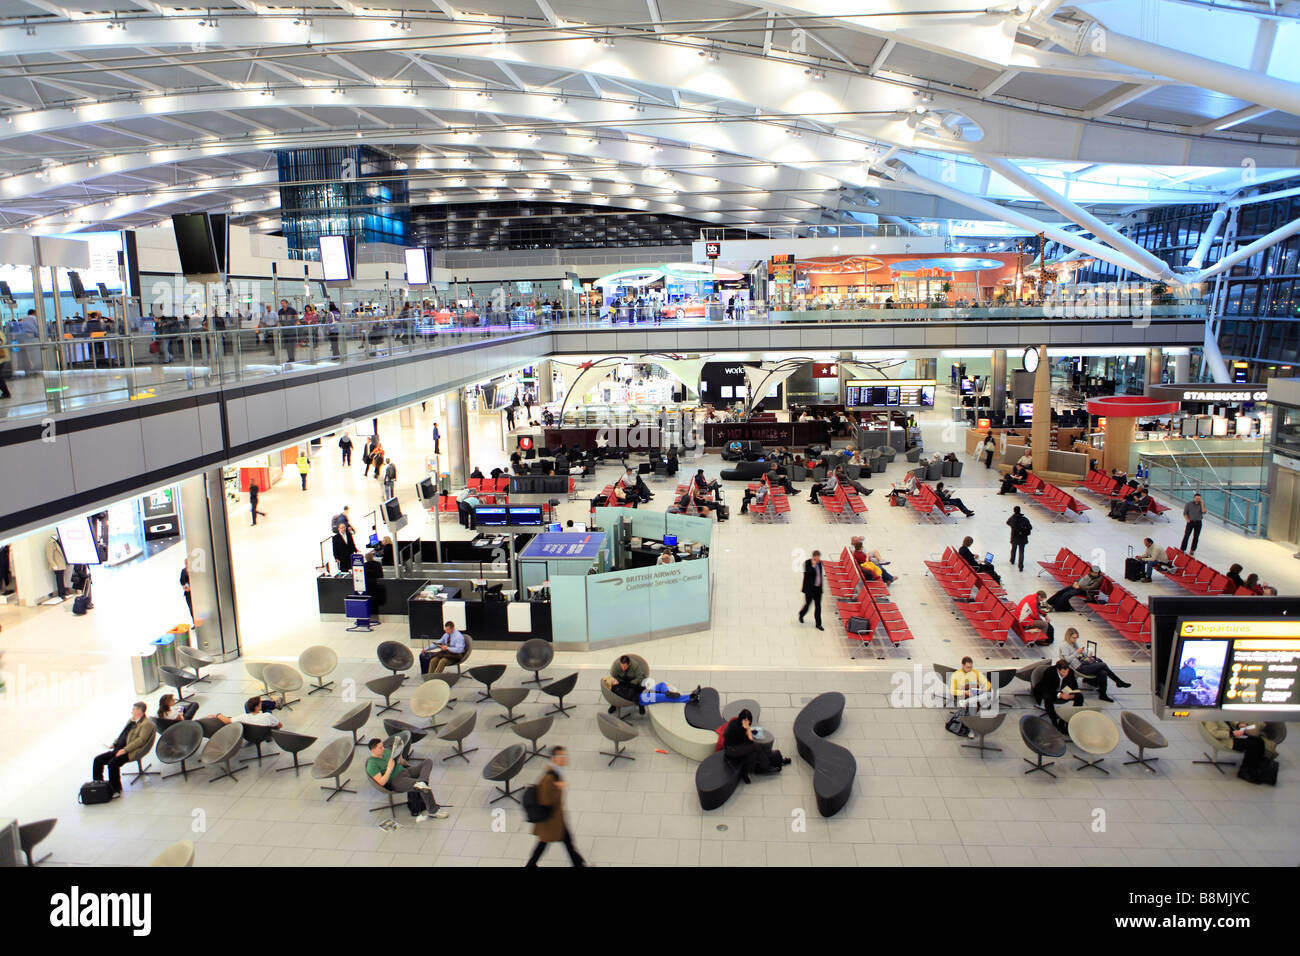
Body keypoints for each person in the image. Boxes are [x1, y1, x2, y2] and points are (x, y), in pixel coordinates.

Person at [525, 745, 585, 866]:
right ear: (553, 758)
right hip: (551, 820)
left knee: (560, 842)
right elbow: (545, 800)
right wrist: (559, 788)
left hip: (555, 818)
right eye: (560, 756)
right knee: (551, 842)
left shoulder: (556, 772)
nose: (564, 758)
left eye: (564, 755)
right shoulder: (549, 778)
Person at [365, 738, 448, 822]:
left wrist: (404, 762)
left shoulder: (386, 752)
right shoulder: (372, 764)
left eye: (382, 746)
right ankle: (433, 811)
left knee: (428, 762)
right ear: (373, 750)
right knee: (423, 788)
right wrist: (389, 769)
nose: (383, 748)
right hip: (396, 781)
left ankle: (423, 782)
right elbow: (382, 782)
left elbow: (400, 761)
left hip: (405, 771)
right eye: (380, 748)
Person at [92, 702, 156, 796]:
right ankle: (98, 785)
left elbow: (140, 741)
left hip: (130, 752)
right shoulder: (131, 721)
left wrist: (124, 750)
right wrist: (115, 743)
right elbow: (122, 734)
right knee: (97, 760)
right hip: (118, 749)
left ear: (139, 711)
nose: (132, 711)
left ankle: (116, 789)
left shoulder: (146, 724)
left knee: (112, 764)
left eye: (134, 709)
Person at [1059, 627, 1131, 702]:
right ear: (1069, 636)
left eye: (1076, 638)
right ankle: (1118, 682)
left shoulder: (1074, 643)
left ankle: (1103, 694)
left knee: (1103, 672)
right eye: (1074, 638)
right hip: (1079, 667)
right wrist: (1077, 652)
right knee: (1103, 665)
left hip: (1084, 663)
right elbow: (1067, 660)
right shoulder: (1064, 646)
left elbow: (1083, 654)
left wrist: (1085, 653)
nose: (1075, 640)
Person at [722, 709, 790, 784]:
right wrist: (748, 730)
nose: (747, 722)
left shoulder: (737, 724)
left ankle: (747, 772)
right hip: (731, 750)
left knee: (753, 752)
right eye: (745, 720)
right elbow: (749, 740)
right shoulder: (737, 727)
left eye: (749, 721)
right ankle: (766, 766)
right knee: (755, 746)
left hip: (737, 746)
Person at [1034, 659, 1084, 734]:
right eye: (1063, 672)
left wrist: (1071, 694)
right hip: (1050, 691)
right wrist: (1060, 695)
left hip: (1064, 691)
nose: (1066, 674)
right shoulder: (1050, 671)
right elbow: (1046, 687)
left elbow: (1074, 686)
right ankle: (1054, 721)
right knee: (1047, 698)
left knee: (1080, 697)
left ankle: (1070, 717)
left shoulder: (1070, 672)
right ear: (1058, 669)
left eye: (1067, 672)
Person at [212, 697, 283, 729]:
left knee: (247, 703)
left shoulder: (243, 717)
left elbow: (227, 721)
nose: (260, 703)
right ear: (256, 707)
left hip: (251, 735)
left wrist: (218, 715)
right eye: (259, 704)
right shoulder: (267, 716)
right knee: (266, 708)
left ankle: (274, 704)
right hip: (265, 733)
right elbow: (279, 725)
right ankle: (274, 704)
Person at [799, 550, 825, 630]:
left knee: (818, 607)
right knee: (808, 604)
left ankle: (818, 624)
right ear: (813, 557)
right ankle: (801, 614)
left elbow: (820, 576)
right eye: (816, 558)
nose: (818, 559)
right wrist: (813, 566)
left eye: (818, 557)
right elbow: (806, 575)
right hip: (810, 590)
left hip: (818, 590)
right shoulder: (807, 563)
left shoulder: (820, 563)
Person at [1006, 505, 1032, 572]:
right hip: (1022, 538)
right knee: (1021, 552)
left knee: (1013, 549)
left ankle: (1012, 560)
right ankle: (1021, 567)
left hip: (1014, 537)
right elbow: (1030, 527)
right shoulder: (1024, 519)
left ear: (1014, 511)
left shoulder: (1012, 519)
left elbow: (1007, 522)